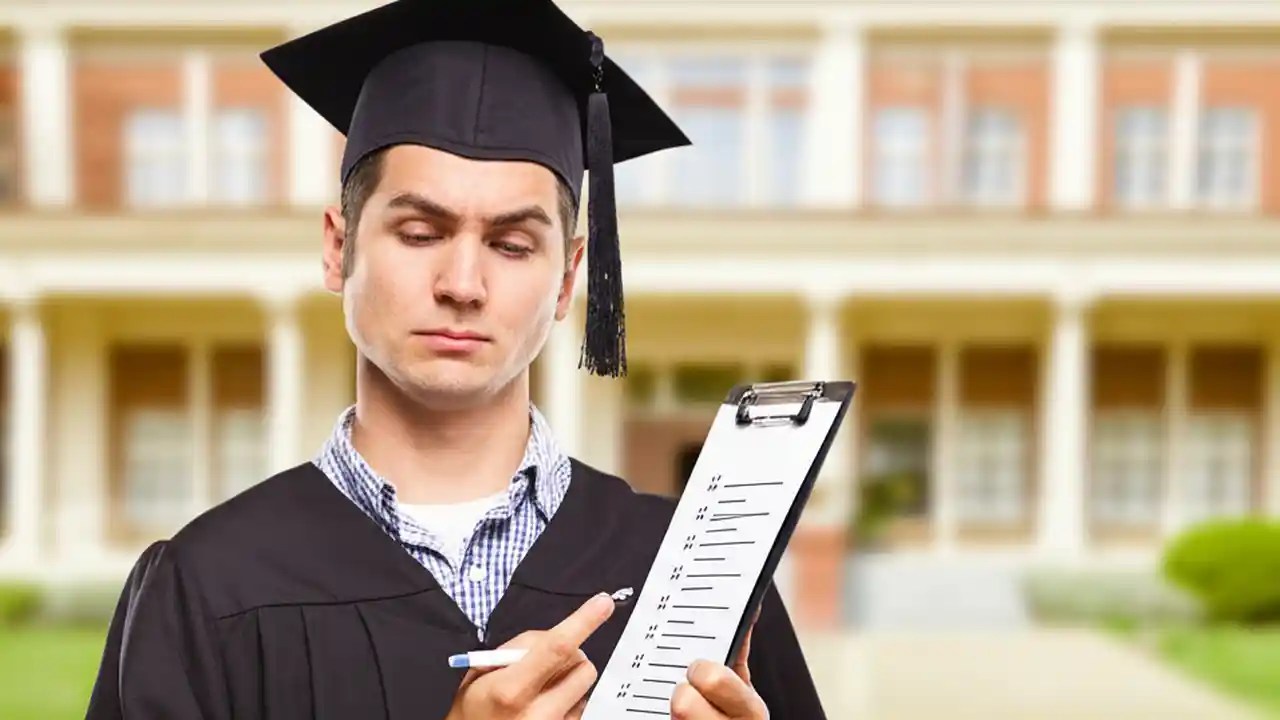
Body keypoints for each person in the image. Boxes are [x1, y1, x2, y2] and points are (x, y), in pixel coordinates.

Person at [85, 0, 827, 718]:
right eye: (418, 233)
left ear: (569, 278)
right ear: (338, 247)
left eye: (511, 245)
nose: (463, 285)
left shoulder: (699, 579)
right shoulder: (208, 587)